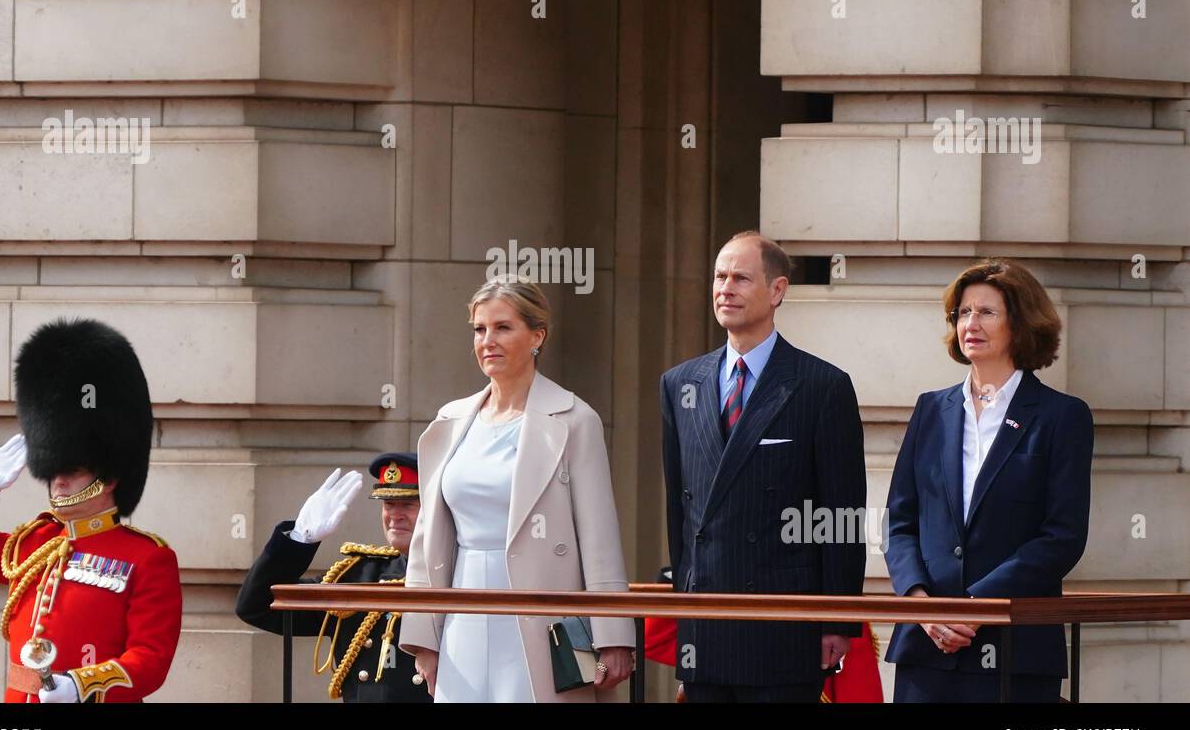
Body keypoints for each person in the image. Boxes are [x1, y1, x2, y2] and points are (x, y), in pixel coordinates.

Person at [399, 277, 636, 702]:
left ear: (537, 336)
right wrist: (424, 637)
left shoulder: (574, 418)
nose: (488, 340)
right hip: (462, 610)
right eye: (480, 329)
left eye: (503, 327)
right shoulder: (451, 421)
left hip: (544, 613)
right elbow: (427, 539)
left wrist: (613, 634)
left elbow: (599, 535)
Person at [0, 318, 181, 702]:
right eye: (53, 470)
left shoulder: (148, 559)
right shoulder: (34, 545)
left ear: (109, 478)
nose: (57, 481)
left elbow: (151, 658)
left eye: (72, 470)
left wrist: (82, 686)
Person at [660, 230, 867, 702]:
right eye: (719, 276)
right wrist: (684, 609)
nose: (725, 288)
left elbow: (842, 515)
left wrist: (838, 621)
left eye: (740, 278)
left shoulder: (821, 385)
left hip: (785, 623)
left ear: (777, 291)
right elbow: (681, 511)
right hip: (707, 620)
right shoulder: (679, 383)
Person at [885, 259, 1092, 702]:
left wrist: (977, 607)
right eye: (963, 312)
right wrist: (920, 605)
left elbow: (1062, 537)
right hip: (926, 648)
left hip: (1015, 648)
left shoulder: (1062, 417)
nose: (970, 323)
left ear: (1020, 324)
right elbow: (900, 523)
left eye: (986, 312)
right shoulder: (930, 410)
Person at [236, 452, 431, 703]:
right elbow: (256, 606)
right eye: (388, 504)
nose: (395, 515)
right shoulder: (359, 575)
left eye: (408, 504)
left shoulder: (458, 574)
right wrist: (299, 538)